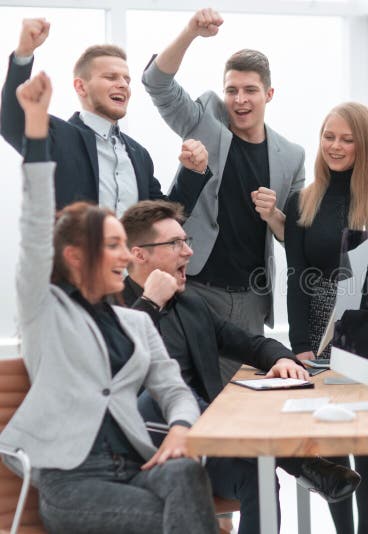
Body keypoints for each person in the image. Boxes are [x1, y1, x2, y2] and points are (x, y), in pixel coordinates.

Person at [0, 71, 217, 534]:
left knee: (185, 471)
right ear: (77, 256)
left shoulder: (134, 325)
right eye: (113, 245)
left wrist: (180, 426)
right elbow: (37, 222)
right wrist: (36, 127)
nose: (126, 255)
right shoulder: (45, 311)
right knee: (182, 521)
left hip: (137, 468)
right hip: (75, 483)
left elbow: (174, 389)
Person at [118, 200, 361, 534]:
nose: (188, 252)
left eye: (186, 241)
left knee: (258, 473)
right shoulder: (113, 303)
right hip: (142, 450)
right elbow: (118, 364)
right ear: (139, 254)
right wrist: (150, 303)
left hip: (203, 441)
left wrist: (282, 359)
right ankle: (303, 464)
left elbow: (248, 342)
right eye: (174, 244)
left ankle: (296, 462)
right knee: (166, 397)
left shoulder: (190, 302)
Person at [142, 8, 305, 381]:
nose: (240, 100)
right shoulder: (206, 119)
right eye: (232, 90)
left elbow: (294, 235)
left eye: (250, 90)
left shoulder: (291, 156)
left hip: (251, 299)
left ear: (269, 94)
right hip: (197, 286)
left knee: (240, 401)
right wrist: (190, 33)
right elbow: (156, 83)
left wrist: (275, 216)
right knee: (187, 392)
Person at [284, 79, 368, 534]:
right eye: (328, 136)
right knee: (333, 441)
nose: (335, 146)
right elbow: (295, 279)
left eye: (346, 138)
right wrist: (298, 346)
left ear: (363, 146)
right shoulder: (302, 199)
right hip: (318, 329)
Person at [0, 18, 210, 215]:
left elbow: (165, 218)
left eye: (127, 80)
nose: (122, 84)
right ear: (81, 86)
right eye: (111, 77)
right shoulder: (58, 135)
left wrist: (192, 172)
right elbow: (12, 123)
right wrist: (24, 54)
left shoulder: (139, 155)